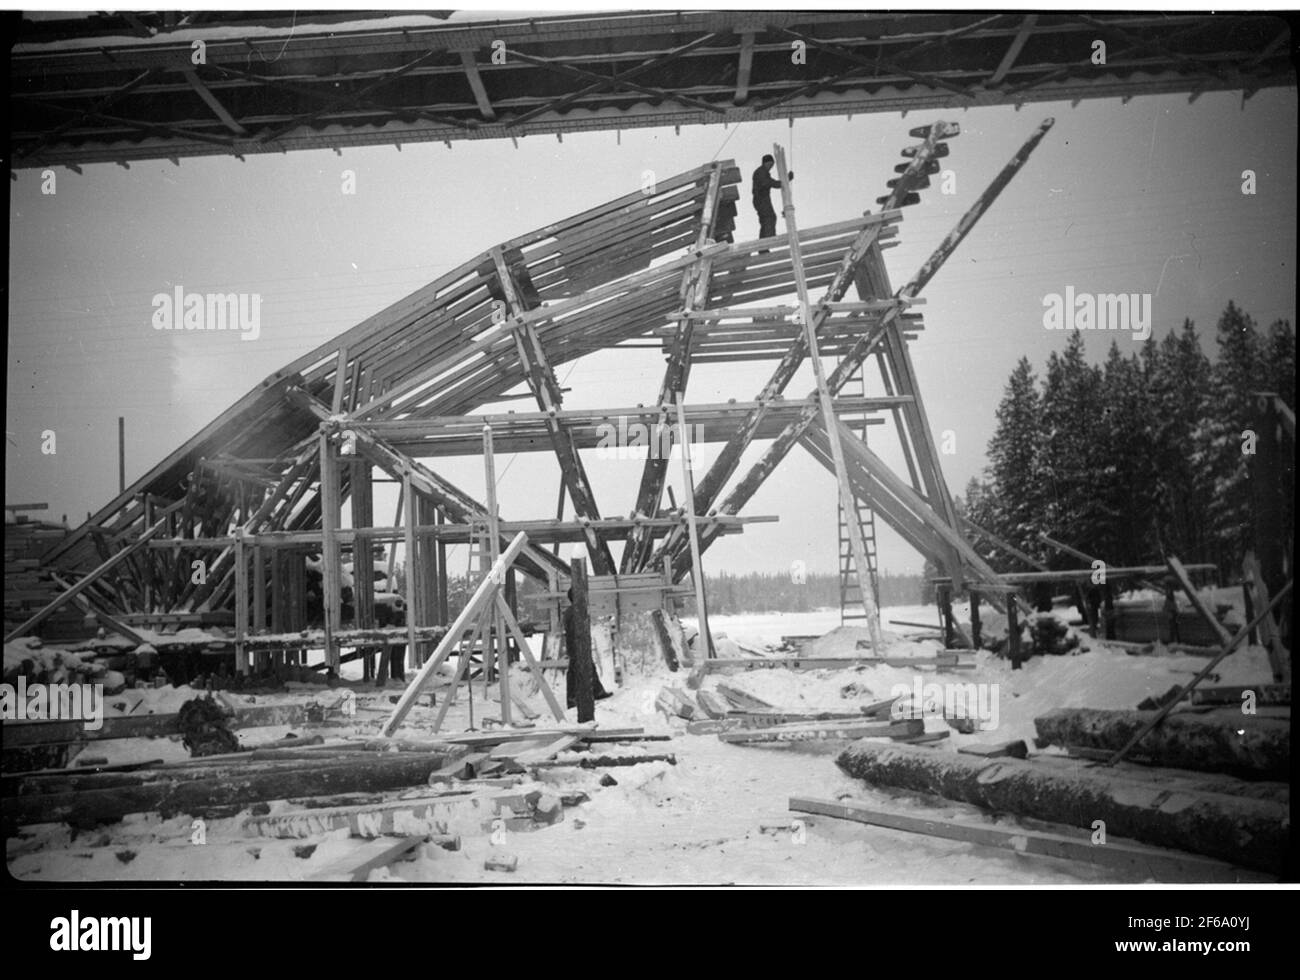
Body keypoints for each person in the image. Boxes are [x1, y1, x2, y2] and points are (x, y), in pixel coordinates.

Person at [563, 588, 611, 709]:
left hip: (578, 644)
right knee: (574, 672)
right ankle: (572, 699)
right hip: (577, 645)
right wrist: (580, 644)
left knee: (589, 666)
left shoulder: (572, 611)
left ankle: (597, 691)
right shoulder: (574, 612)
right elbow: (575, 630)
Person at [752, 154, 793, 243]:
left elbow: (770, 182)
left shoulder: (762, 172)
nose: (771, 167)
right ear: (765, 163)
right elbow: (769, 183)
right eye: (770, 165)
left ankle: (764, 245)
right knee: (769, 217)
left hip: (761, 199)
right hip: (761, 199)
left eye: (772, 165)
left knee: (766, 219)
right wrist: (785, 180)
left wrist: (785, 180)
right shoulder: (761, 172)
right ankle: (769, 239)